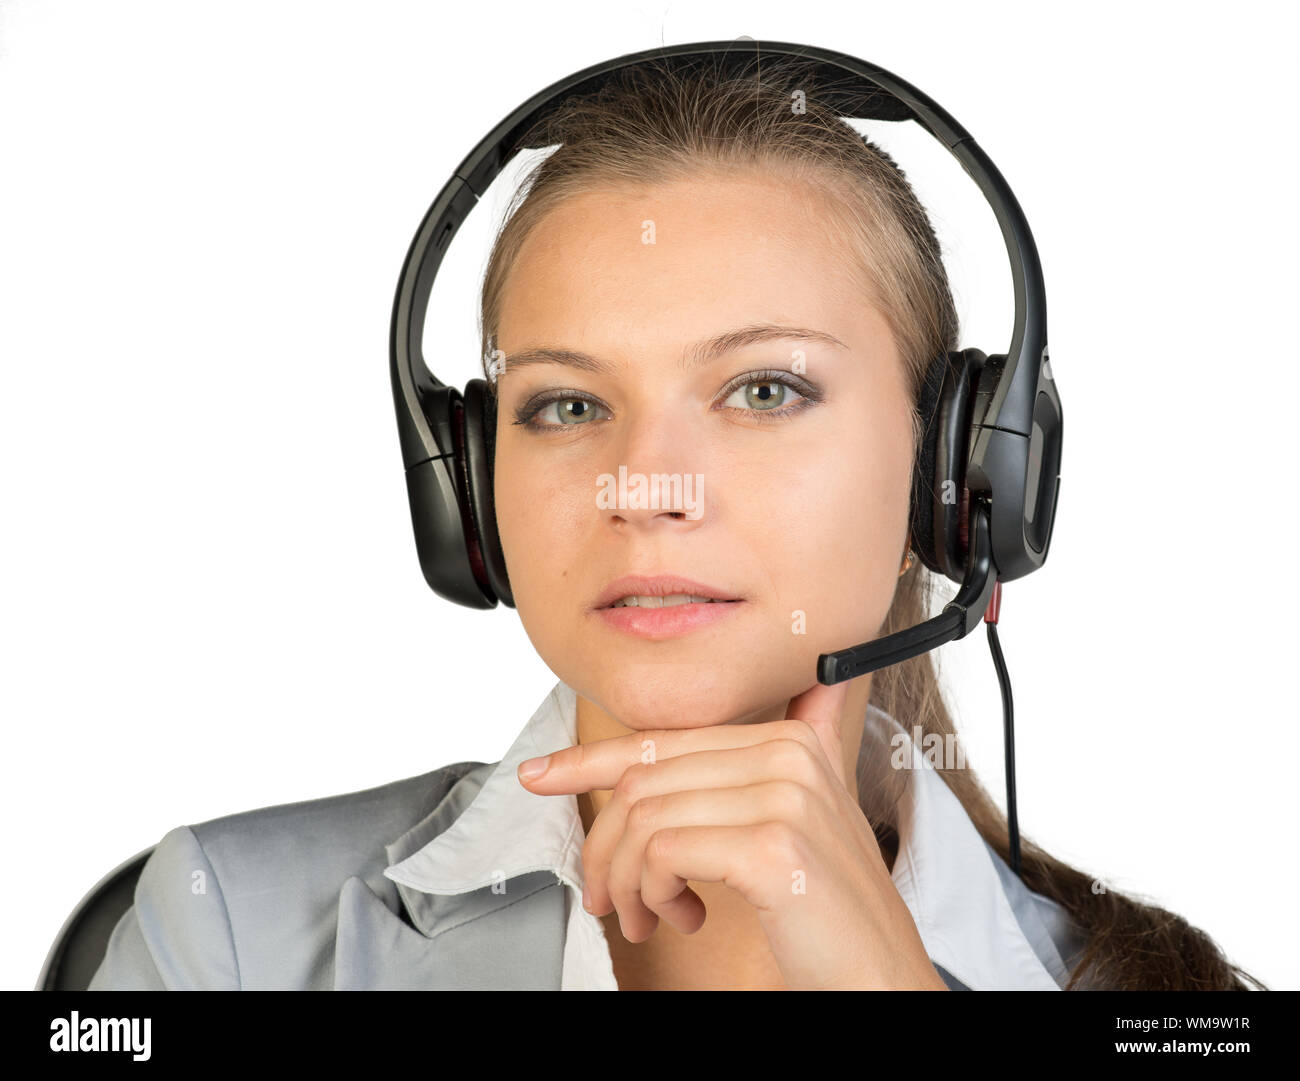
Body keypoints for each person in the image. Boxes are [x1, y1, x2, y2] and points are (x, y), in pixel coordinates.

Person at [85, 54, 1262, 991]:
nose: (643, 488)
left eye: (764, 391)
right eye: (568, 405)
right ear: (471, 488)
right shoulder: (227, 938)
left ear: (954, 477)